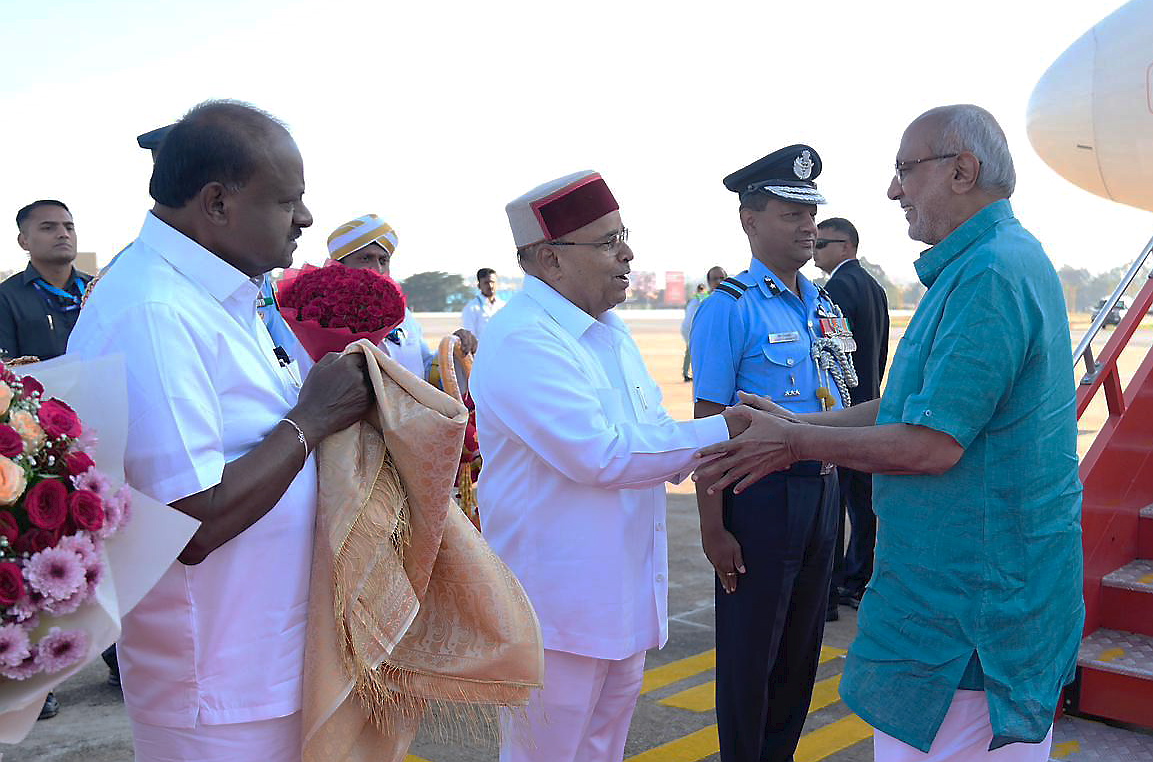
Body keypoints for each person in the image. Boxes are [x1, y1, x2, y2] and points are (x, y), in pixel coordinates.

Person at [694, 105, 1083, 762]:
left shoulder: (986, 272)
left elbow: (930, 444)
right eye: (792, 214)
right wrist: (798, 424)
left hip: (965, 625)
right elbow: (901, 405)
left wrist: (793, 440)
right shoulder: (980, 263)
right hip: (944, 592)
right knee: (754, 661)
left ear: (962, 170)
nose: (892, 190)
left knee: (790, 661)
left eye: (905, 170)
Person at [68, 100, 374, 762]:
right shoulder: (155, 310)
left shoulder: (216, 295)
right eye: (286, 200)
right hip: (219, 685)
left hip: (264, 661)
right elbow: (191, 522)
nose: (305, 219)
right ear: (216, 204)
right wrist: (311, 419)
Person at [471, 170, 745, 762]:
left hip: (619, 600)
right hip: (558, 608)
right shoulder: (525, 338)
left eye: (624, 235)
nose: (626, 253)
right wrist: (729, 430)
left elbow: (652, 435)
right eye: (605, 242)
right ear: (549, 259)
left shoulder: (610, 334)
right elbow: (599, 454)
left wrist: (720, 436)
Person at [689, 145, 854, 762]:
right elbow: (709, 427)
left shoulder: (823, 304)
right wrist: (713, 527)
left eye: (811, 210)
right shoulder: (728, 307)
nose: (808, 224)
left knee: (801, 651)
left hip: (822, 492)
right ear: (750, 221)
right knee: (750, 654)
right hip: (759, 499)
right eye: (790, 212)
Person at [812, 217, 889, 618]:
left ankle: (832, 584)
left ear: (846, 246)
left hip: (844, 412)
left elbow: (829, 356)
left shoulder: (835, 290)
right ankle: (857, 578)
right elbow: (878, 355)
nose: (814, 250)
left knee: (834, 504)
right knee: (862, 505)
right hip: (868, 406)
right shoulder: (874, 287)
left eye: (822, 244)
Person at [326, 214, 477, 376]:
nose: (377, 269)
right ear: (339, 266)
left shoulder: (403, 315)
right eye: (365, 258)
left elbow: (425, 371)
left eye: (383, 260)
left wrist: (454, 353)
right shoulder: (322, 320)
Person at [0, 200, 92, 361]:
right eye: (48, 228)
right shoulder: (6, 297)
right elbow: (5, 369)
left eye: (69, 227)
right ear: (24, 241)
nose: (63, 234)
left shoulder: (98, 289)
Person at [680, 266, 726, 382]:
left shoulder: (737, 300)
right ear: (709, 282)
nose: (719, 281)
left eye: (722, 278)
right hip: (696, 334)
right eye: (715, 279)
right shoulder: (705, 300)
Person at [460, 266, 504, 341]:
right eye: (486, 283)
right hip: (482, 350)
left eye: (492, 282)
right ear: (479, 285)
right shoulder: (471, 308)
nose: (490, 286)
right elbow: (470, 337)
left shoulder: (503, 306)